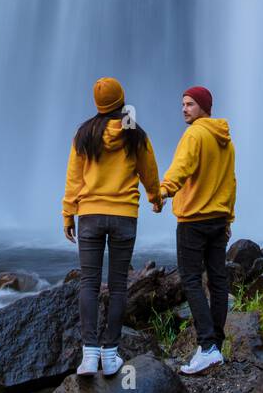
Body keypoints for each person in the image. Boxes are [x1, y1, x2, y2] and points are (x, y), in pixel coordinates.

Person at [63, 76, 162, 377]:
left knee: (89, 284)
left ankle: (89, 356)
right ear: (121, 100)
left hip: (90, 215)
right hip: (123, 217)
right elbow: (149, 171)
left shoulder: (85, 133)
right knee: (118, 286)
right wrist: (155, 198)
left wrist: (69, 213)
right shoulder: (135, 134)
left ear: (97, 103)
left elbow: (74, 178)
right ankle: (110, 354)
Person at [159, 85, 235, 375]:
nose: (184, 109)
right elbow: (231, 182)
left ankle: (207, 348)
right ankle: (215, 344)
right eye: (183, 104)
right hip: (217, 218)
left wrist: (163, 192)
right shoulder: (226, 139)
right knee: (217, 281)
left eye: (190, 104)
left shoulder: (194, 135)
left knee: (191, 280)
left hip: (193, 219)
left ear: (204, 107)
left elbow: (181, 168)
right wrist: (229, 218)